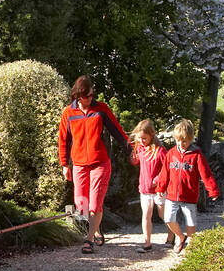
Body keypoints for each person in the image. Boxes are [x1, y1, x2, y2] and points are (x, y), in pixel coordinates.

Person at [58, 75, 131, 254]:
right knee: (81, 204)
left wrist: (131, 151)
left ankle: (88, 240)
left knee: (95, 204)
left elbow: (117, 131)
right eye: (87, 96)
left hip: (100, 162)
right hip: (79, 164)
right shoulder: (68, 113)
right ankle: (96, 228)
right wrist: (64, 164)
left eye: (92, 95)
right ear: (78, 95)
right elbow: (63, 140)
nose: (91, 98)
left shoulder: (101, 109)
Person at [155, 118, 220, 253]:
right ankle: (180, 237)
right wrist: (160, 187)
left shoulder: (196, 155)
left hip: (189, 195)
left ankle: (192, 246)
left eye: (184, 141)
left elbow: (206, 174)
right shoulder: (171, 153)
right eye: (179, 140)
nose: (181, 143)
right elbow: (164, 172)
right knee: (168, 219)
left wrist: (212, 190)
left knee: (190, 222)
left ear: (191, 139)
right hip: (172, 195)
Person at [129, 120, 166, 253]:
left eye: (144, 138)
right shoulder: (140, 148)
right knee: (146, 214)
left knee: (163, 214)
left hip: (158, 189)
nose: (141, 140)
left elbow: (166, 168)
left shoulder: (160, 150)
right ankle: (147, 242)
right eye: (139, 138)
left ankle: (172, 235)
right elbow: (136, 161)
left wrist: (157, 180)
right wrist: (133, 157)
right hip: (144, 188)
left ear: (151, 135)